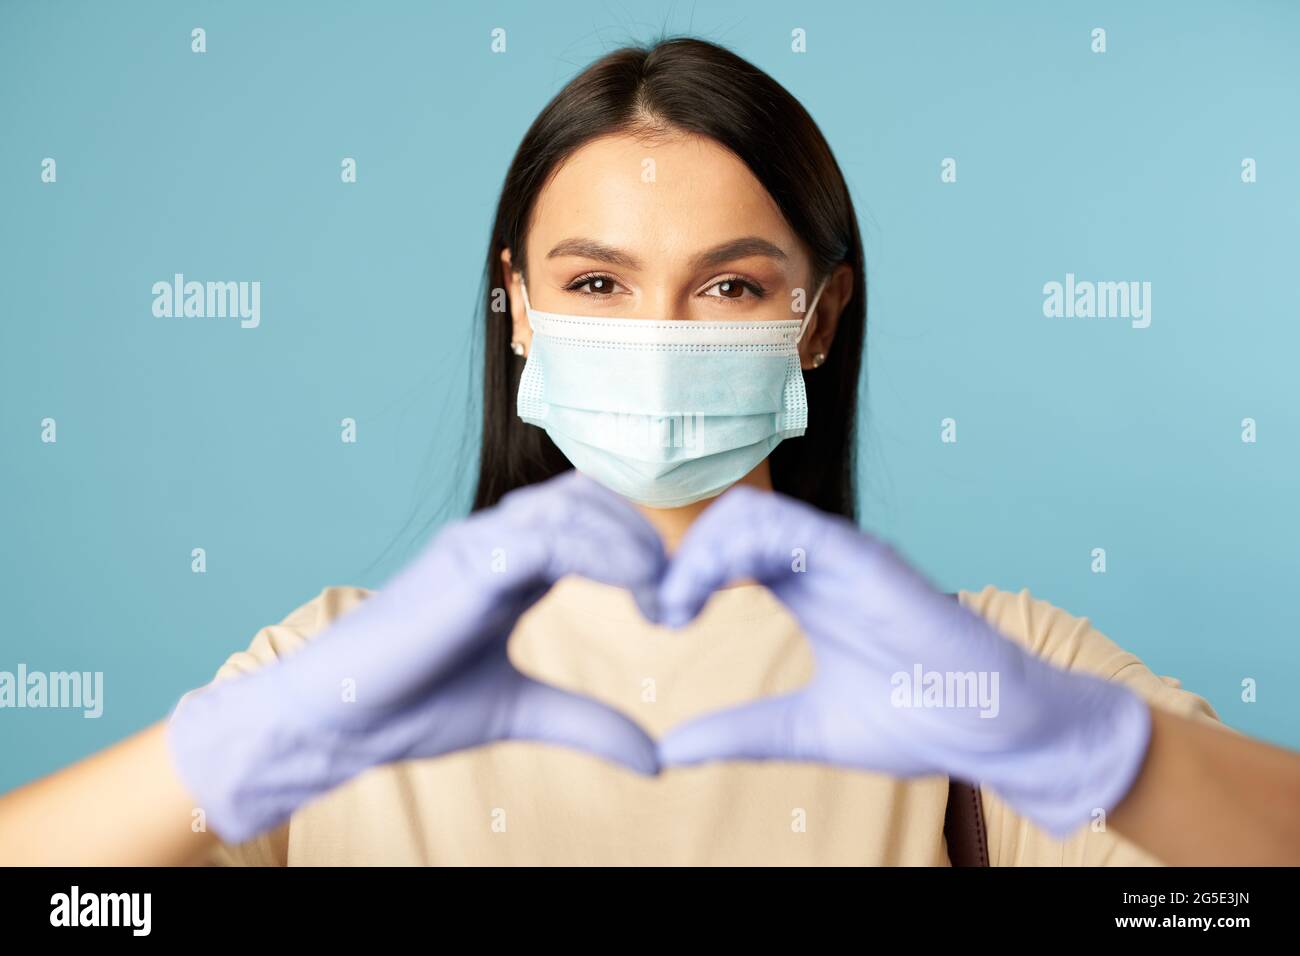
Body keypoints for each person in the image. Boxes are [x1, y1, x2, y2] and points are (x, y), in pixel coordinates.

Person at [2, 37, 1297, 867]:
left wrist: (1094, 750)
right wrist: (232, 752)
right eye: (600, 283)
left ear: (818, 317)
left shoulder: (983, 681)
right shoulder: (340, 672)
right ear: (516, 303)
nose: (661, 332)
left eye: (730, 288)